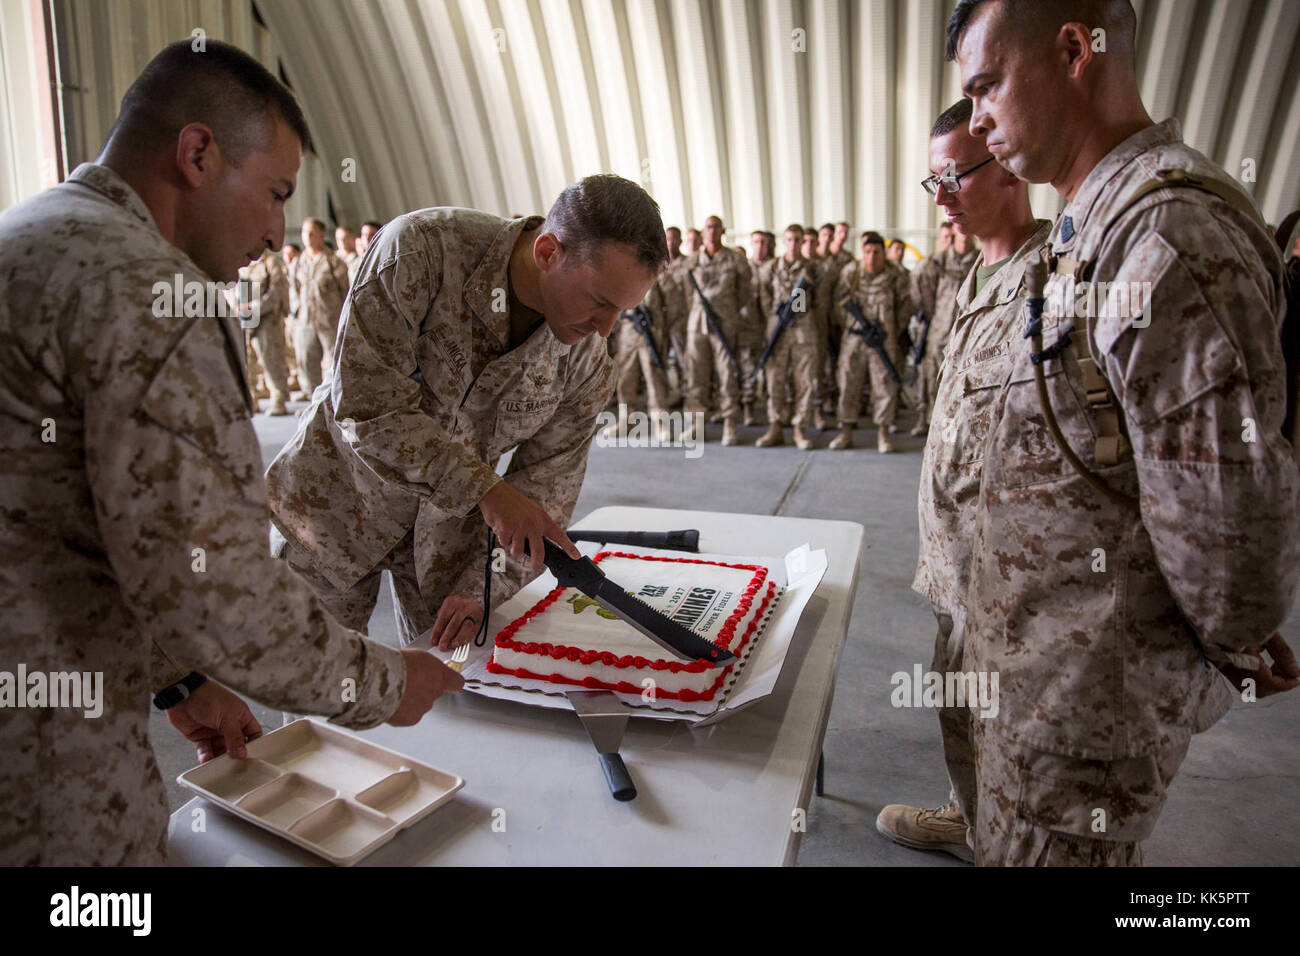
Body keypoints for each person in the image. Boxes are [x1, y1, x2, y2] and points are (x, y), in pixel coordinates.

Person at [0, 39, 457, 867]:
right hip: (42, 783)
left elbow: (87, 524)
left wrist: (178, 680)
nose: (280, 230)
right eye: (276, 192)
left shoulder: (29, 238)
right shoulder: (150, 293)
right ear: (199, 153)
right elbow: (220, 591)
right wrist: (388, 682)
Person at [948, 0, 1299, 866]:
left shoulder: (1166, 232)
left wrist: (1234, 631)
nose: (978, 114)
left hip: (1080, 717)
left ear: (1074, 49)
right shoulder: (1089, 225)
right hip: (1030, 683)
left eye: (988, 84)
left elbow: (1233, 538)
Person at [266, 175, 664, 653]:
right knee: (320, 697)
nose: (604, 329)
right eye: (600, 302)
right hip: (332, 506)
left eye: (622, 310)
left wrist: (484, 583)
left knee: (449, 698)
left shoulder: (584, 363)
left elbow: (545, 490)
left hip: (446, 547)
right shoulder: (421, 253)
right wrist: (485, 488)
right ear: (547, 253)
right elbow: (365, 407)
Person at [876, 97, 1052, 862]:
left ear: (1008, 165)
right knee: (957, 705)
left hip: (1019, 582)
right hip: (959, 566)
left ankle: (1011, 840)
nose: (940, 195)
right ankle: (973, 820)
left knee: (1023, 739)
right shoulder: (978, 274)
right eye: (933, 180)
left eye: (954, 175)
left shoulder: (1057, 279)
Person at [830, 232, 914, 451]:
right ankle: (845, 431)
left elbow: (906, 305)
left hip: (883, 340)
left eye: (877, 252)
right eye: (868, 252)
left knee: (884, 384)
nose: (872, 257)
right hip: (855, 338)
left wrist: (893, 329)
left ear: (883, 254)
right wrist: (851, 324)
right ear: (862, 252)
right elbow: (838, 304)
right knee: (848, 381)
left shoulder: (895, 275)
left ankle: (883, 433)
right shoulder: (851, 273)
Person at [680, 215, 752, 445]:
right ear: (703, 232)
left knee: (727, 373)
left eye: (716, 227)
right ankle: (695, 424)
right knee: (696, 374)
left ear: (723, 231)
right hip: (697, 324)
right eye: (708, 227)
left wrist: (727, 309)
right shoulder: (691, 261)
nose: (712, 231)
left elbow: (745, 293)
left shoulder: (735, 260)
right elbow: (687, 294)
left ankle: (730, 423)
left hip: (724, 323)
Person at [754, 225, 823, 449]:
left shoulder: (813, 269)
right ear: (784, 241)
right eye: (790, 240)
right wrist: (774, 318)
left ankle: (799, 428)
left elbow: (820, 302)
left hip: (804, 331)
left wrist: (801, 311)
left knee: (804, 381)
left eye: (798, 240)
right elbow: (763, 297)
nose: (793, 244)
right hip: (777, 330)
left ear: (803, 242)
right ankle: (775, 425)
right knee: (775, 379)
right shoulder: (770, 268)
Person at [911, 222, 978, 436]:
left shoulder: (980, 259)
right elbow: (922, 289)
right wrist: (934, 317)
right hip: (939, 331)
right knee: (930, 376)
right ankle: (927, 420)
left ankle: (950, 428)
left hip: (969, 334)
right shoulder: (936, 262)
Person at [292, 216, 350, 395]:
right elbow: (294, 289)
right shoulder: (298, 262)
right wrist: (296, 309)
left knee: (332, 363)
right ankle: (311, 399)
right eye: (304, 233)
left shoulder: (334, 262)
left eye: (312, 233)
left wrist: (343, 317)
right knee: (306, 360)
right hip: (306, 321)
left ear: (321, 235)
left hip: (329, 320)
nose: (307, 237)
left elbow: (345, 292)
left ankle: (331, 401)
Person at [241, 248, 292, 415]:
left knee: (271, 359)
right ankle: (251, 398)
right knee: (247, 361)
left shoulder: (271, 264)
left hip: (267, 320)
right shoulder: (244, 264)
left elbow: (276, 293)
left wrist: (254, 307)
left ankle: (278, 398)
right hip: (245, 320)